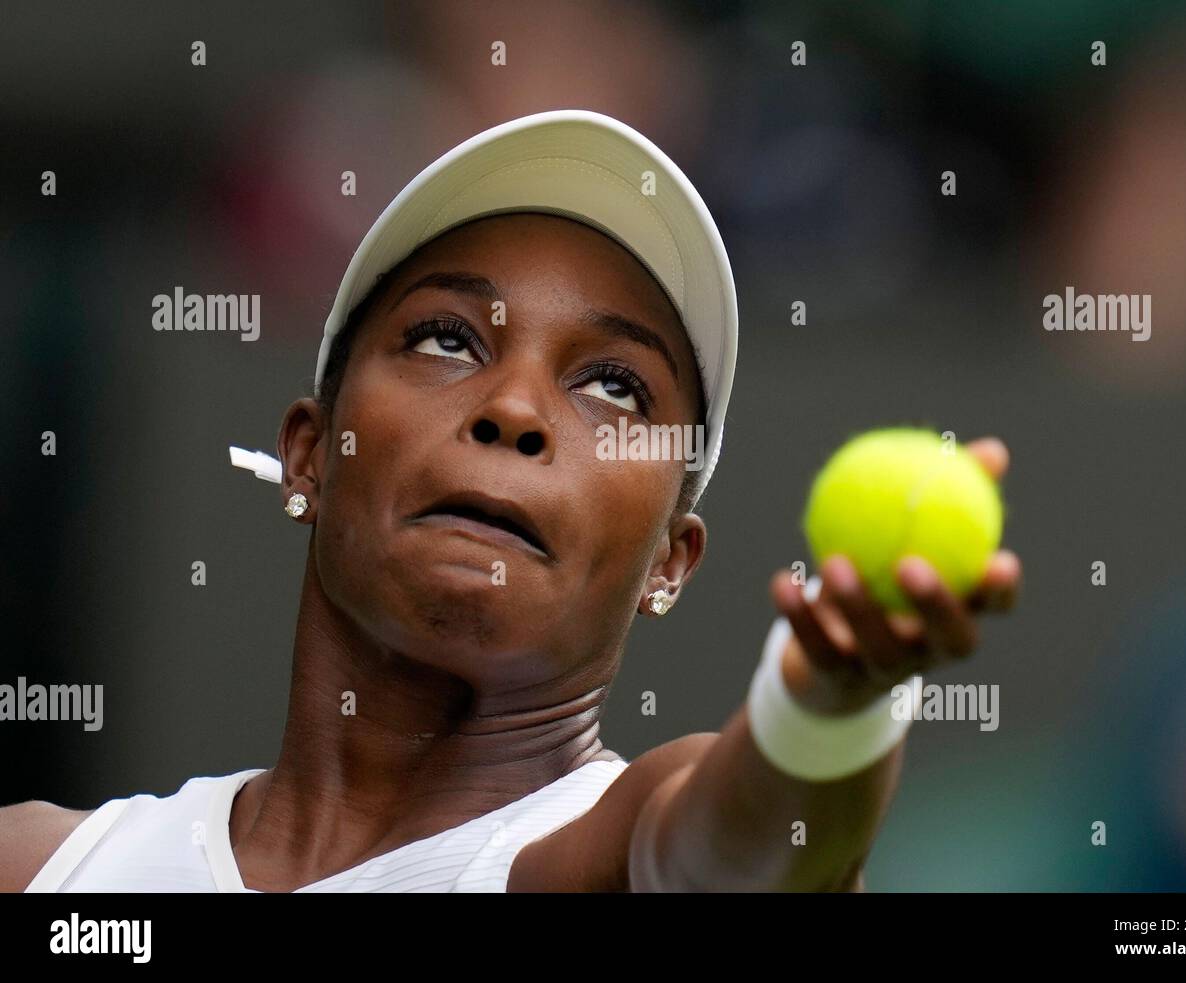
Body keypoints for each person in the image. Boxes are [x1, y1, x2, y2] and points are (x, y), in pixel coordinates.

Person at [1, 110, 1020, 892]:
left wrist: (832, 701)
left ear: (672, 557)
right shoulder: (44, 869)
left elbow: (745, 849)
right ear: (310, 455)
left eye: (614, 385)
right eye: (447, 337)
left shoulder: (606, 858)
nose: (517, 407)